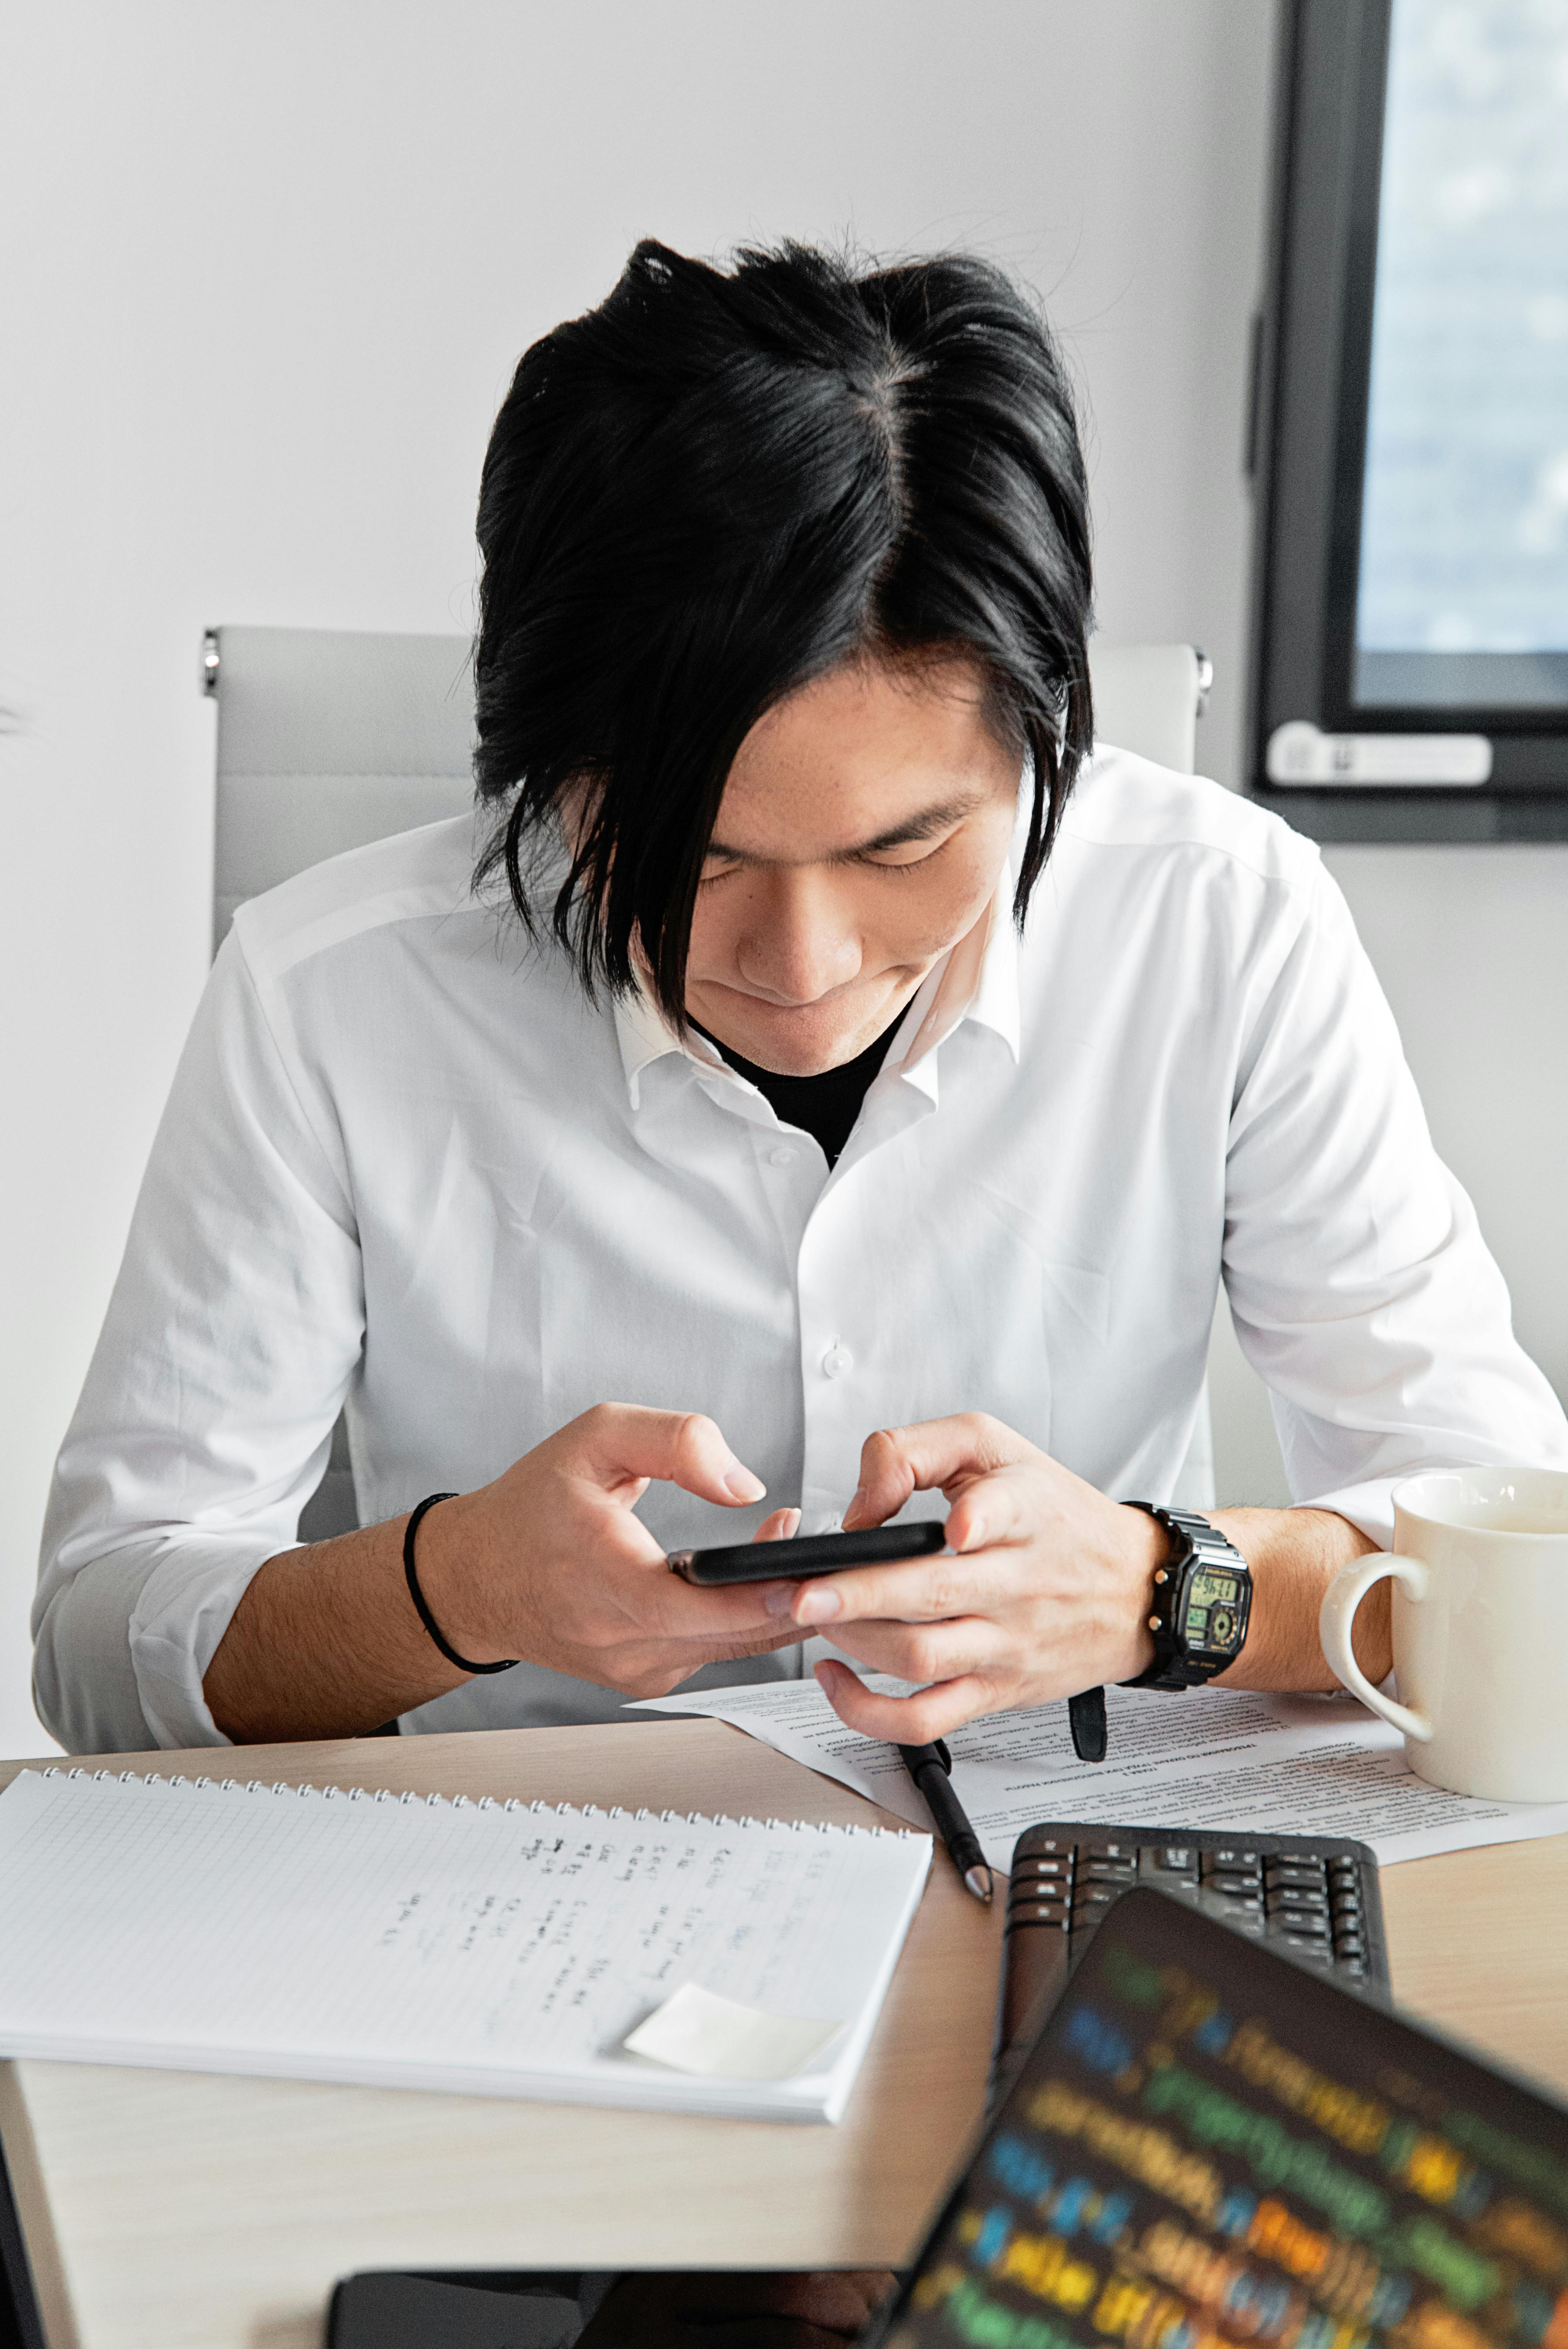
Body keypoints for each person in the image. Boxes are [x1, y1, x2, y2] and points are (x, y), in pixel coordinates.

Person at [35, 239, 1568, 1757]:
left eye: (906, 846)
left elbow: (1509, 1561)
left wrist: (1167, 1592)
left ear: (1046, 743)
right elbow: (103, 1645)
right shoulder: (324, 997)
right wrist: (460, 1588)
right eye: (693, 856)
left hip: (1064, 1874)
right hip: (517, 1886)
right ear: (532, 765)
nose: (803, 963)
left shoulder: (1226, 922)